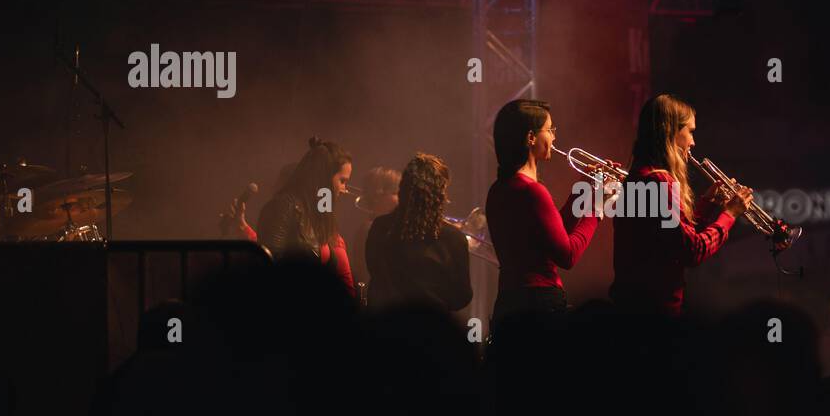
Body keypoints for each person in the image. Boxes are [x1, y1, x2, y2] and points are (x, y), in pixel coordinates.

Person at [610, 94, 750, 316]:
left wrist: (707, 204)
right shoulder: (659, 181)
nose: (693, 142)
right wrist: (729, 215)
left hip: (632, 306)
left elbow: (670, 239)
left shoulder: (638, 177)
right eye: (690, 131)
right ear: (670, 131)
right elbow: (692, 251)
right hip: (655, 312)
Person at [485, 99, 615, 327]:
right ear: (531, 137)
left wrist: (583, 190)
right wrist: (597, 209)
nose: (554, 137)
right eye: (549, 130)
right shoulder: (533, 191)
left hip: (508, 302)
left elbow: (551, 235)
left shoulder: (498, 189)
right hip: (539, 304)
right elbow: (567, 255)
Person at [365, 154, 471, 312]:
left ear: (403, 189)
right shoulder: (454, 239)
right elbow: (462, 297)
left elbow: (374, 273)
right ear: (440, 195)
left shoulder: (380, 227)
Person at [253, 137, 356, 297]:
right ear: (324, 178)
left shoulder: (321, 213)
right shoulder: (283, 206)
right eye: (342, 181)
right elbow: (270, 266)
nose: (344, 189)